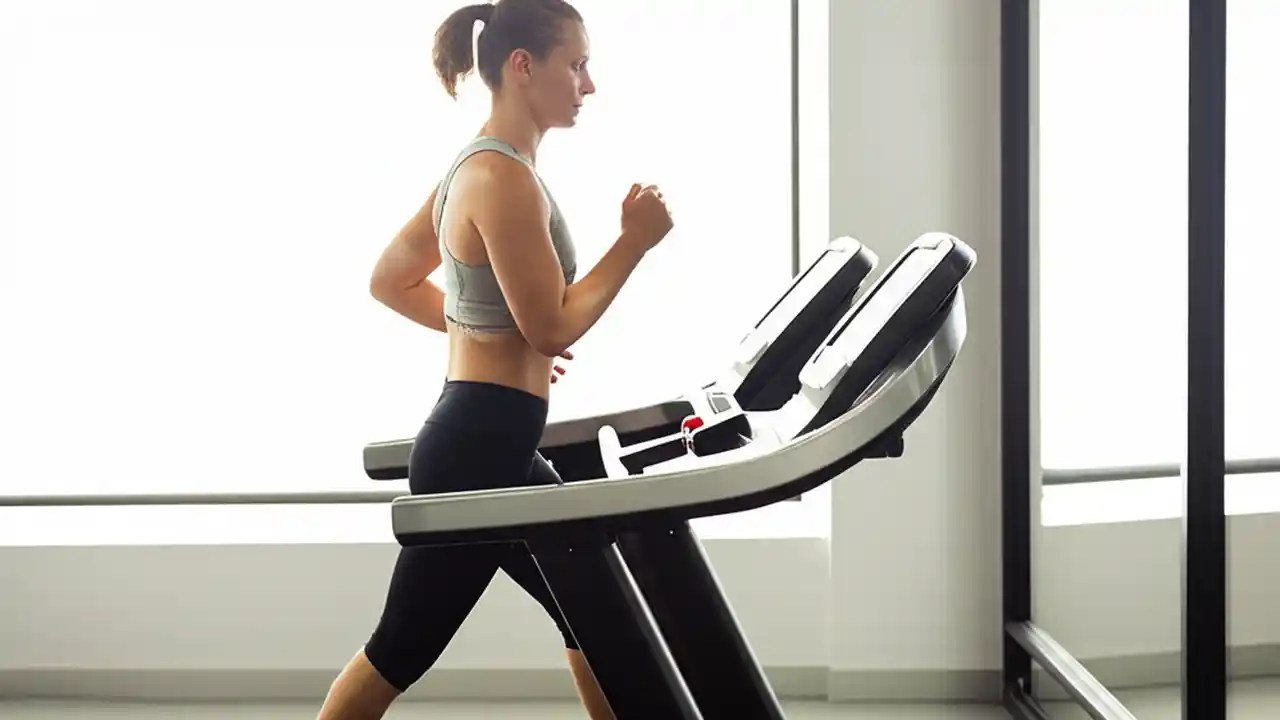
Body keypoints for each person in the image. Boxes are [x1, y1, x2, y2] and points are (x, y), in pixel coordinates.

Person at [317, 1, 674, 718]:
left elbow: (394, 279)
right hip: (476, 452)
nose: (588, 84)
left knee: (593, 608)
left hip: (491, 441)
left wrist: (495, 326)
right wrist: (633, 242)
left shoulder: (478, 168)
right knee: (400, 648)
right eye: (575, 65)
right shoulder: (501, 179)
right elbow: (551, 328)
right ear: (523, 67)